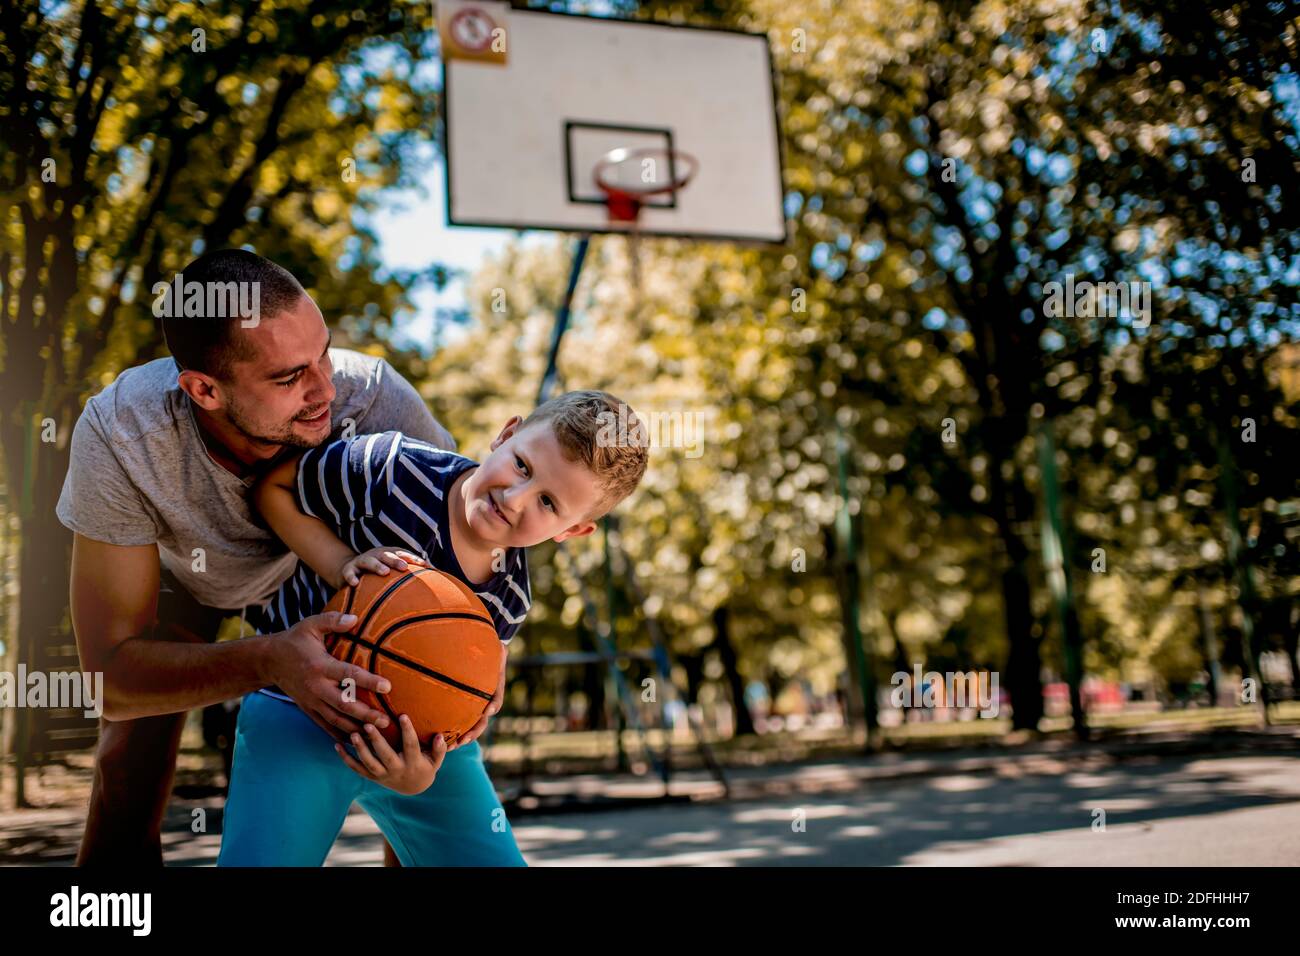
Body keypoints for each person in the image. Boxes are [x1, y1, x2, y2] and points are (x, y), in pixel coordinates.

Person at [57, 248, 456, 866]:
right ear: (204, 389)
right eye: (288, 376)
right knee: (128, 764)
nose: (325, 387)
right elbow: (108, 677)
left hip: (340, 566)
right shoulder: (121, 434)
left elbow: (468, 544)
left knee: (413, 732)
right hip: (189, 576)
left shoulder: (372, 399)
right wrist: (270, 659)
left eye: (323, 351)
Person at [217, 391, 649, 865]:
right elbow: (273, 489)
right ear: (505, 434)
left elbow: (454, 707)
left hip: (415, 742)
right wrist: (342, 564)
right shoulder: (391, 467)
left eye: (548, 502)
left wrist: (419, 776)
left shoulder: (510, 597)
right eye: (522, 466)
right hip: (295, 705)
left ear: (571, 531)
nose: (514, 497)